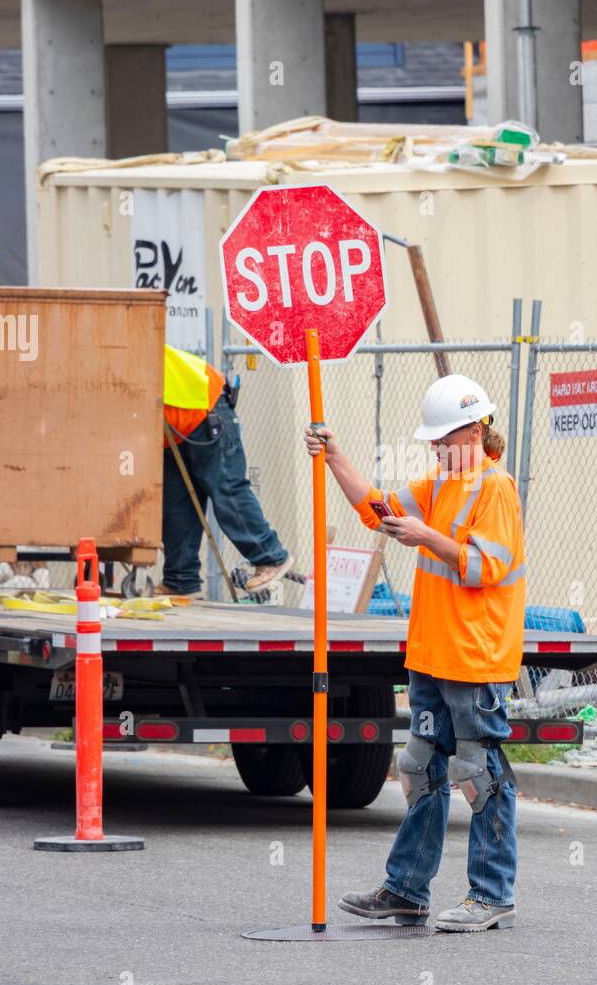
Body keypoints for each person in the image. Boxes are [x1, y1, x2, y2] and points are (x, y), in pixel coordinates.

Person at [304, 373, 526, 933]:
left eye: (443, 438)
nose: (435, 447)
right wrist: (336, 458)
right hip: (432, 653)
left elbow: (484, 568)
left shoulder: (494, 488)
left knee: (479, 772)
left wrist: (425, 537)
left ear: (474, 430)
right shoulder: (440, 481)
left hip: (473, 657)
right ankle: (406, 889)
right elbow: (378, 511)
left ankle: (490, 894)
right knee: (421, 770)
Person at [160, 345, 292, 597]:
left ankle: (270, 556)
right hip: (179, 426)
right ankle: (180, 581)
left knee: (227, 489)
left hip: (206, 408)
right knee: (177, 504)